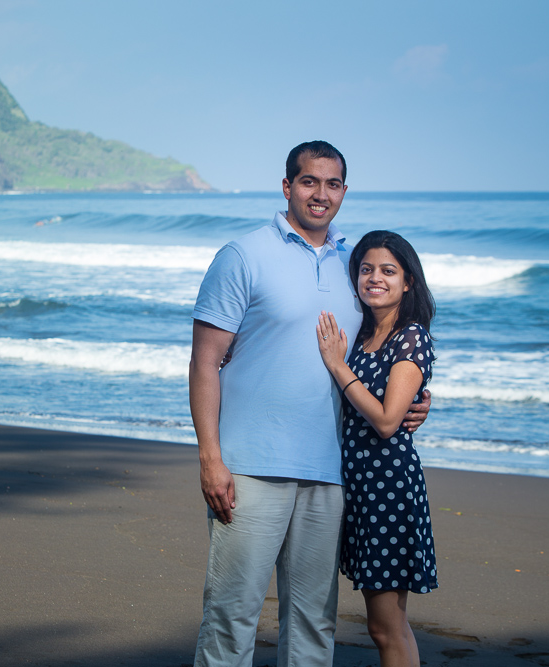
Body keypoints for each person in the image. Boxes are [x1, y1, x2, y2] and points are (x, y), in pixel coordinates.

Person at [189, 141, 431, 667]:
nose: (320, 194)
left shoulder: (354, 265)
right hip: (250, 467)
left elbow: (382, 353)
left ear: (344, 191)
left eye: (332, 184)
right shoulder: (243, 255)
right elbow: (205, 361)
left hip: (330, 471)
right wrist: (211, 458)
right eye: (309, 182)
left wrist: (416, 399)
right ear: (287, 187)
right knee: (232, 618)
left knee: (313, 625)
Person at [316, 230, 437, 667]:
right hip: (358, 484)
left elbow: (387, 421)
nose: (375, 278)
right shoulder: (364, 331)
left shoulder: (410, 337)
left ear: (408, 282)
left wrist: (337, 365)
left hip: (387, 488)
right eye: (366, 269)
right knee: (386, 625)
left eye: (388, 270)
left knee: (386, 627)